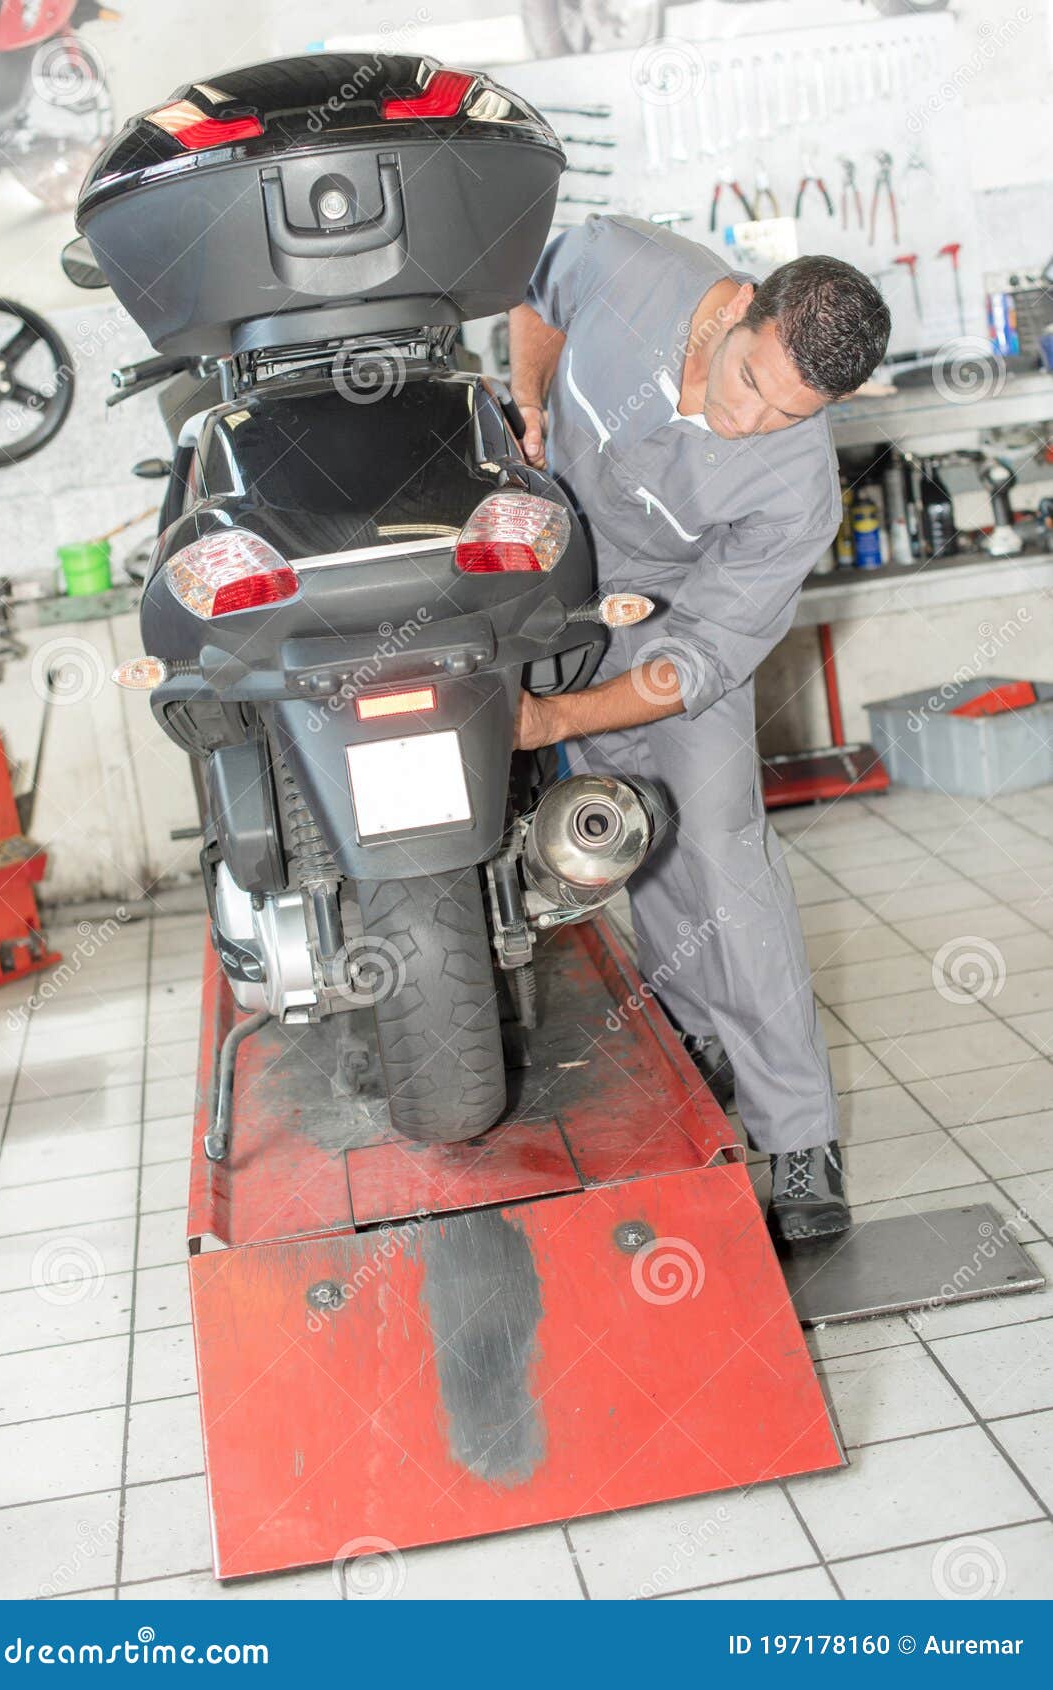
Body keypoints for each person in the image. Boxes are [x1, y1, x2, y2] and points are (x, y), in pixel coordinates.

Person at [508, 215, 891, 1245]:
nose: (753, 420)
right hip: (561, 583)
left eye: (792, 412)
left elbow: (698, 662)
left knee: (721, 852)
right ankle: (700, 1041)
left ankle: (801, 1134)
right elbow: (537, 297)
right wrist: (529, 403)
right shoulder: (626, 265)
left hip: (675, 630)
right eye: (751, 381)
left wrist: (550, 718)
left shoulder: (796, 487)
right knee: (636, 842)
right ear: (739, 305)